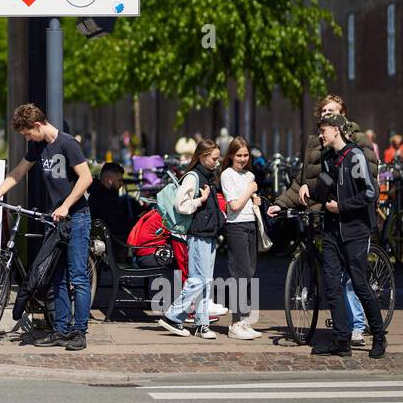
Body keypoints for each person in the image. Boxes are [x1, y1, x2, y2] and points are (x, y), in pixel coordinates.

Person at [268, 94, 378, 347]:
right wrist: (281, 202)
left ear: (343, 116)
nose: (326, 115)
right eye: (324, 112)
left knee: (351, 279)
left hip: (352, 219)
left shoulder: (358, 142)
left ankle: (358, 327)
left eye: (332, 111)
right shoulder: (317, 143)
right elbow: (301, 181)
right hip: (325, 215)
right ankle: (342, 333)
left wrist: (346, 206)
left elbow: (368, 184)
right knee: (332, 278)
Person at [0, 103, 94, 351]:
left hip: (76, 218)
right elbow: (19, 171)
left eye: (27, 134)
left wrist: (66, 206)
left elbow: (86, 177)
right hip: (54, 220)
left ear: (37, 125)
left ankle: (80, 331)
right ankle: (60, 329)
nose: (27, 138)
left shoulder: (67, 143)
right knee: (56, 275)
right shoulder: (38, 146)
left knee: (77, 276)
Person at [310, 113, 386, 358]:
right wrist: (309, 191)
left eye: (324, 130)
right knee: (331, 286)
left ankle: (379, 336)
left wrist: (341, 207)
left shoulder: (355, 156)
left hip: (354, 231)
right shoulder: (327, 157)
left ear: (336, 130)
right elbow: (326, 187)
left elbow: (370, 193)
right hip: (332, 230)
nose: (321, 135)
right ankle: (342, 340)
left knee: (360, 285)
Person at [158, 139, 226, 339]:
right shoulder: (193, 177)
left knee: (206, 281)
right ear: (203, 157)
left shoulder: (206, 176)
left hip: (208, 233)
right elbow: (181, 205)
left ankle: (202, 324)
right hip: (198, 234)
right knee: (198, 279)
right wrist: (201, 200)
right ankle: (173, 316)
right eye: (213, 158)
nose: (216, 162)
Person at [221, 137, 263, 339]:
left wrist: (256, 200)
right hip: (236, 226)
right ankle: (235, 322)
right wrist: (250, 190)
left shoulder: (250, 175)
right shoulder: (227, 175)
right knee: (240, 272)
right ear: (231, 155)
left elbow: (246, 203)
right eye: (239, 155)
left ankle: (244, 320)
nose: (243, 159)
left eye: (246, 155)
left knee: (250, 272)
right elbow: (234, 205)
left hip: (250, 224)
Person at [88, 162, 135, 245]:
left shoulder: (101, 195)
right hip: (115, 246)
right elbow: (116, 227)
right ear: (109, 179)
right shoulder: (102, 200)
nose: (121, 184)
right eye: (119, 180)